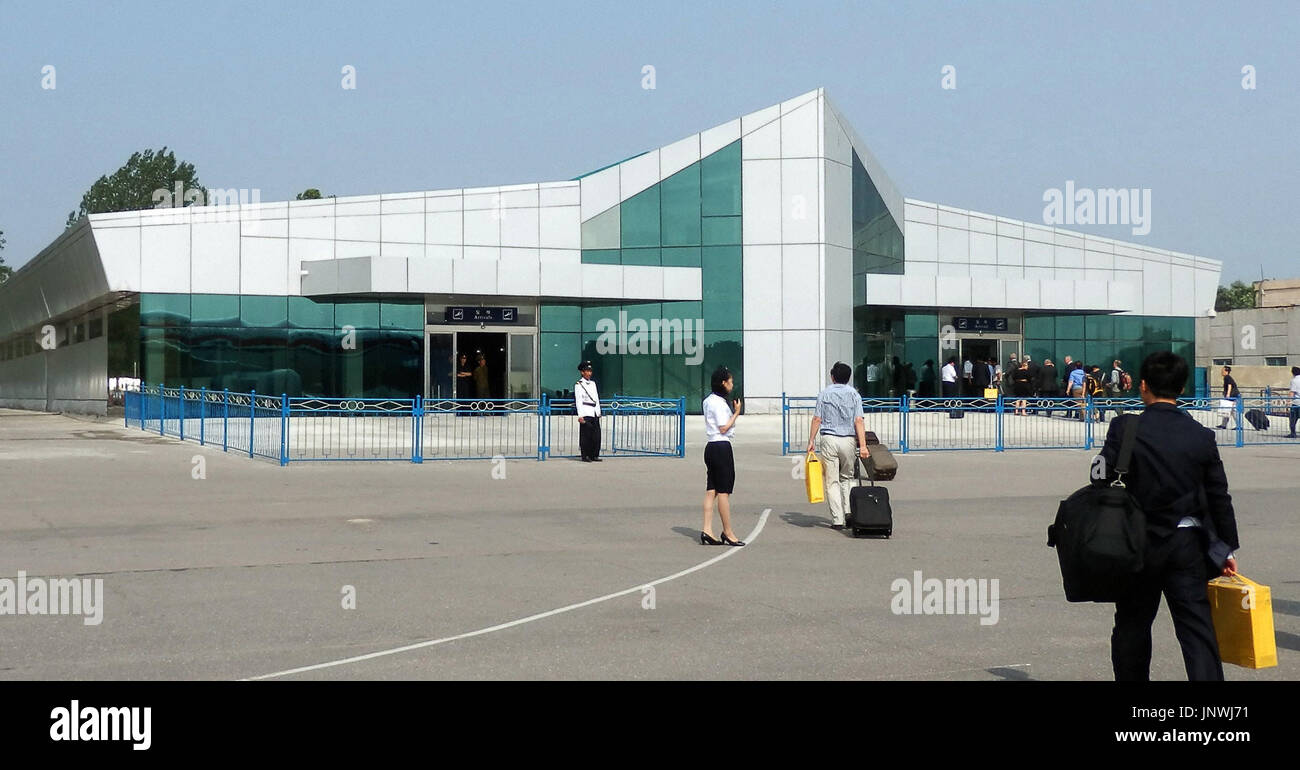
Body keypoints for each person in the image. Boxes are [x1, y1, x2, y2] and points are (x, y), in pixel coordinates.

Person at [1091, 351, 1239, 681]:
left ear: (1143, 386)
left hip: (1136, 542)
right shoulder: (1201, 435)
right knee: (1197, 631)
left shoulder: (1125, 428)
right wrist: (1226, 548)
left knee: (1132, 625)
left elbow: (1099, 476)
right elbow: (1218, 494)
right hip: (1187, 544)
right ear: (1182, 387)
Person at [806, 362, 869, 531]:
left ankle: (837, 519)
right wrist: (863, 446)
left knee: (831, 480)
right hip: (848, 439)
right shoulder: (854, 395)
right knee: (848, 477)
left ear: (832, 377)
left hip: (829, 439)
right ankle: (850, 511)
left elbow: (817, 419)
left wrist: (811, 440)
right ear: (848, 378)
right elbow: (859, 420)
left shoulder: (824, 394)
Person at [701, 366, 743, 546]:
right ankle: (728, 531)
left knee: (712, 490)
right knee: (724, 491)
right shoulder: (717, 403)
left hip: (711, 445)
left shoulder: (708, 400)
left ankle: (707, 529)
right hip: (720, 446)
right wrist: (736, 413)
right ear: (723, 383)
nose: (732, 385)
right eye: (730, 381)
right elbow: (724, 427)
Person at [575, 361, 602, 462]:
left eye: (590, 371)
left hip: (594, 411)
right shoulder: (579, 385)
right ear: (582, 372)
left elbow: (596, 398)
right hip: (585, 411)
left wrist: (598, 411)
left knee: (596, 435)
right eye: (587, 371)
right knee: (586, 435)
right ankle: (585, 455)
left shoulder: (593, 384)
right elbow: (579, 401)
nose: (589, 373)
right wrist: (580, 415)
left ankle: (594, 454)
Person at [1216, 365, 1240, 431]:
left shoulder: (1227, 377)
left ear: (1226, 371)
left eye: (1222, 370)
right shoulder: (1227, 377)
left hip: (1232, 397)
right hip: (1232, 396)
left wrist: (1228, 394)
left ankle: (1239, 425)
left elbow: (1230, 385)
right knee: (1227, 410)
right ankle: (1223, 425)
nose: (1221, 371)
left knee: (1233, 411)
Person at [1289, 366, 1300, 438]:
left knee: (1293, 419)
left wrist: (1289, 401)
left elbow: (1292, 392)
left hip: (1297, 403)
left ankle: (1293, 433)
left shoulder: (1294, 380)